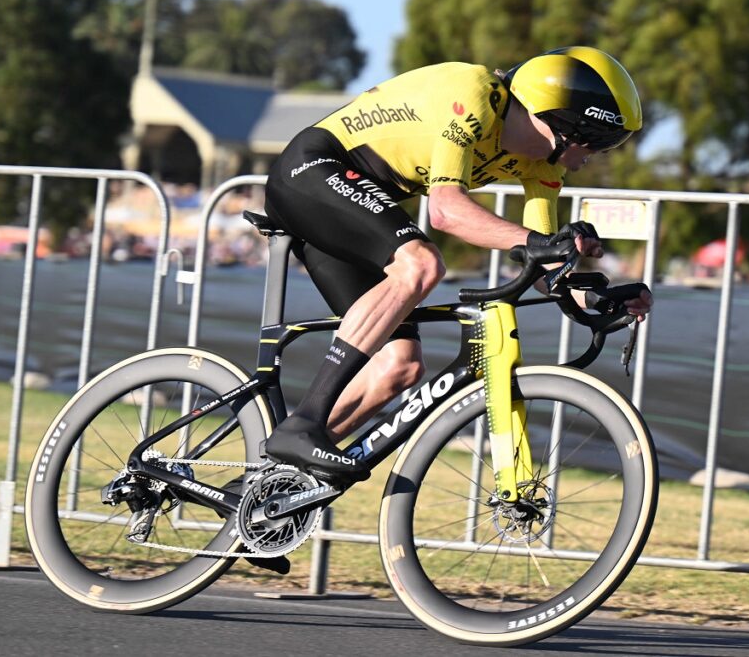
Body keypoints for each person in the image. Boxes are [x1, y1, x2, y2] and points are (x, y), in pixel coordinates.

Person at [262, 46, 654, 483]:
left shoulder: (542, 167)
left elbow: (541, 258)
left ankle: (264, 490)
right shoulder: (475, 96)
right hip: (315, 169)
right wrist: (541, 243)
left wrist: (591, 292)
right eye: (601, 142)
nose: (601, 155)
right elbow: (447, 212)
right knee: (422, 264)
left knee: (399, 368)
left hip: (360, 204)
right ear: (566, 123)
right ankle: (303, 424)